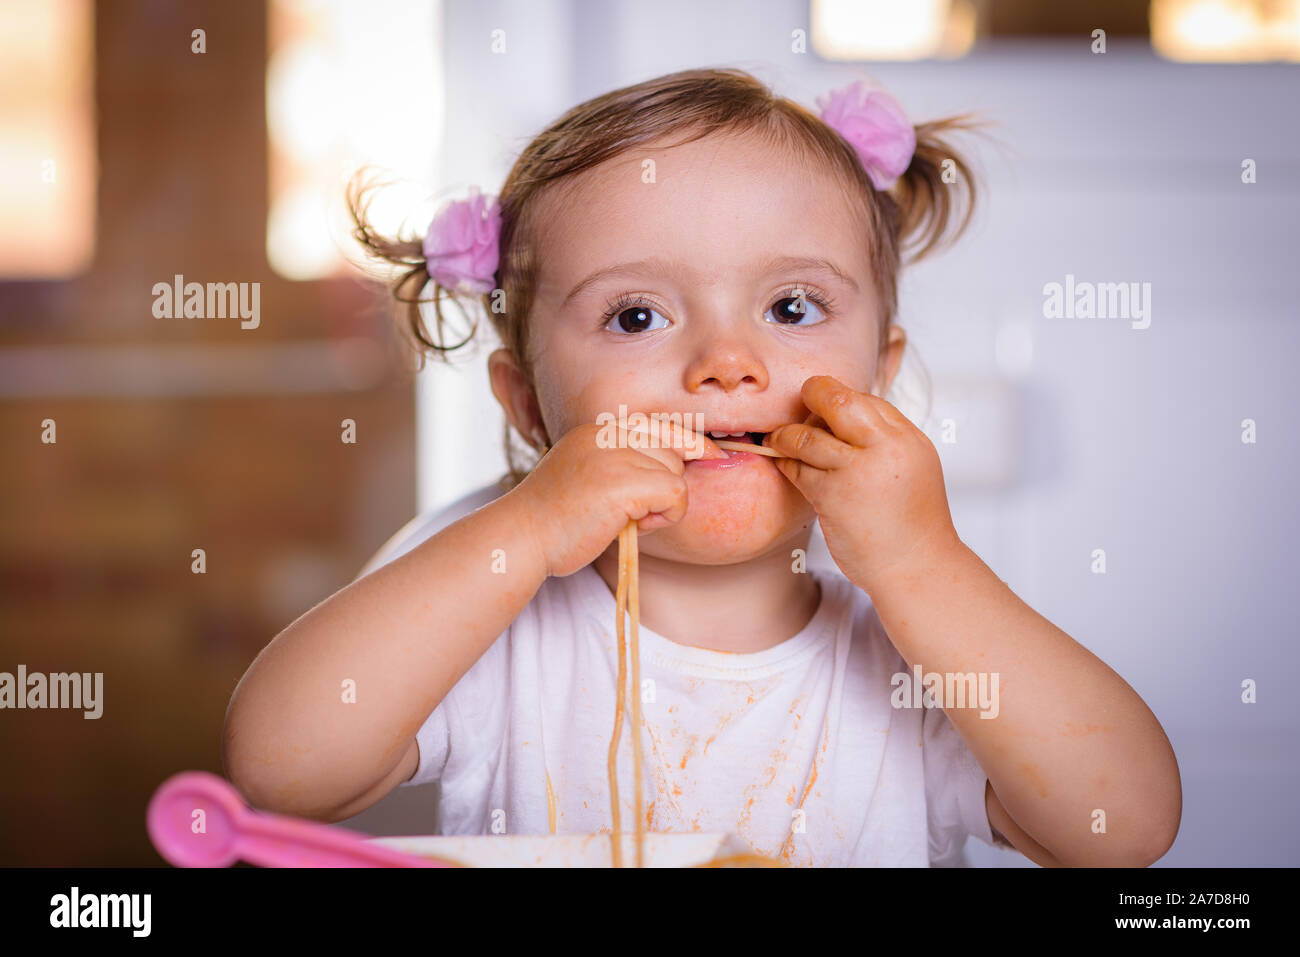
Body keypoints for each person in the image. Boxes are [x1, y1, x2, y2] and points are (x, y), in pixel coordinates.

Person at [222, 67, 1181, 867]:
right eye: (636, 315)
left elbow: (1125, 826)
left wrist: (923, 563)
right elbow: (280, 766)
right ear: (526, 403)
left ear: (880, 380)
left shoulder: (921, 635)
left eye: (793, 308)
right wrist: (522, 532)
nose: (728, 362)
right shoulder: (491, 596)